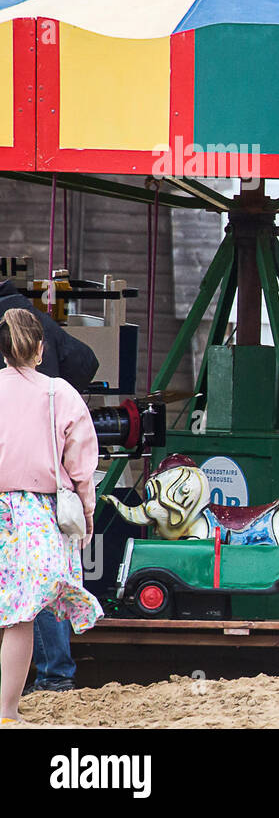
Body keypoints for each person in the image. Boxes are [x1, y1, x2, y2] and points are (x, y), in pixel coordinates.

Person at [0, 308, 102, 723]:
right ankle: (6, 711)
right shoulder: (60, 394)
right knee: (20, 615)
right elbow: (81, 464)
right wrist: (88, 514)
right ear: (40, 349)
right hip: (35, 514)